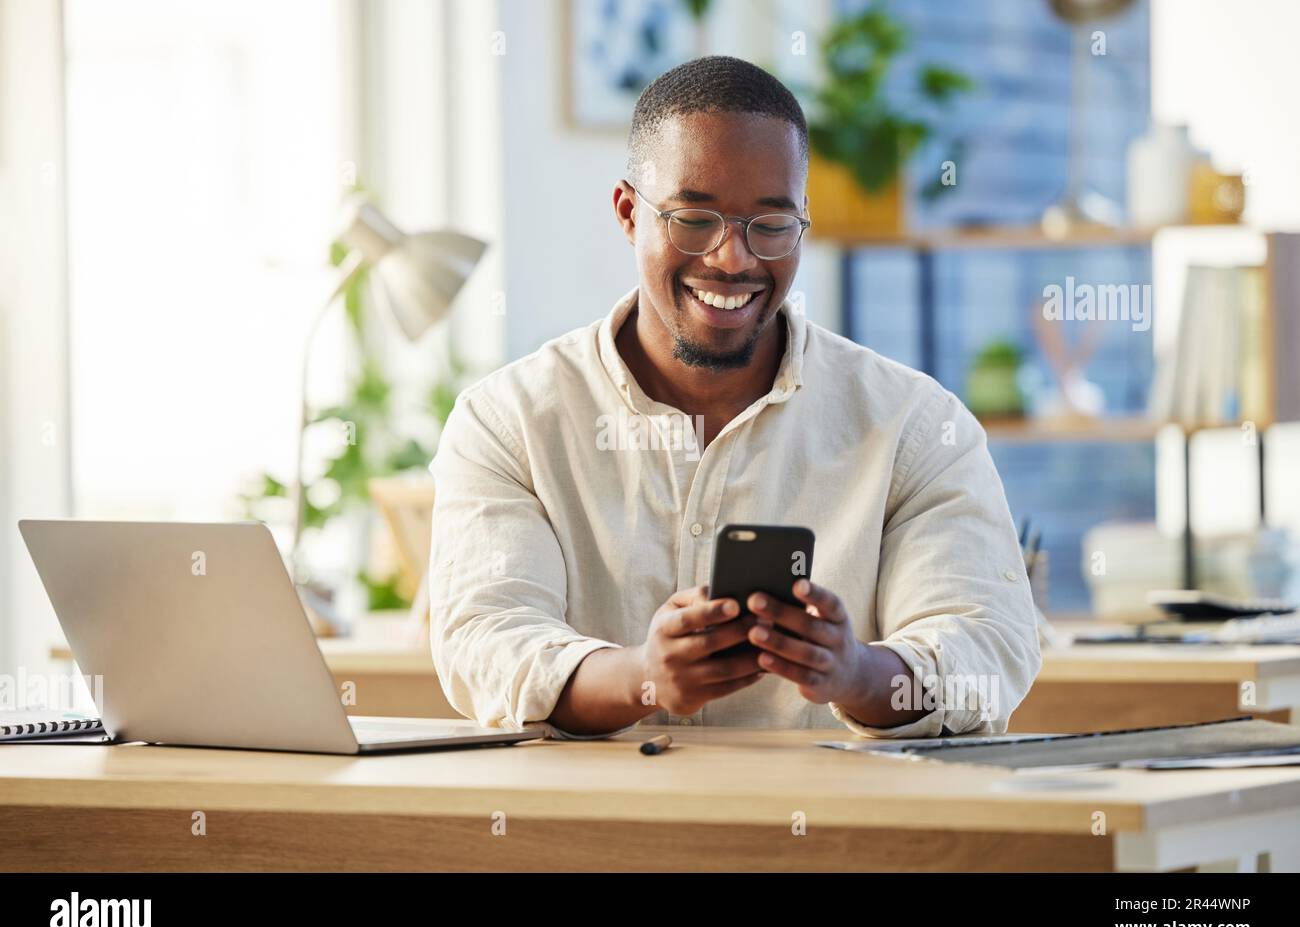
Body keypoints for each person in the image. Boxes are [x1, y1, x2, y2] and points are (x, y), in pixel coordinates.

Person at [429, 55, 1040, 739]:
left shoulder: (916, 426)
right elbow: (484, 639)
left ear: (803, 222)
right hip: (589, 837)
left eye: (770, 225)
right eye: (695, 219)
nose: (733, 259)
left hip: (835, 838)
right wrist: (642, 676)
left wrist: (858, 673)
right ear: (629, 213)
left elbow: (991, 647)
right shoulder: (510, 420)